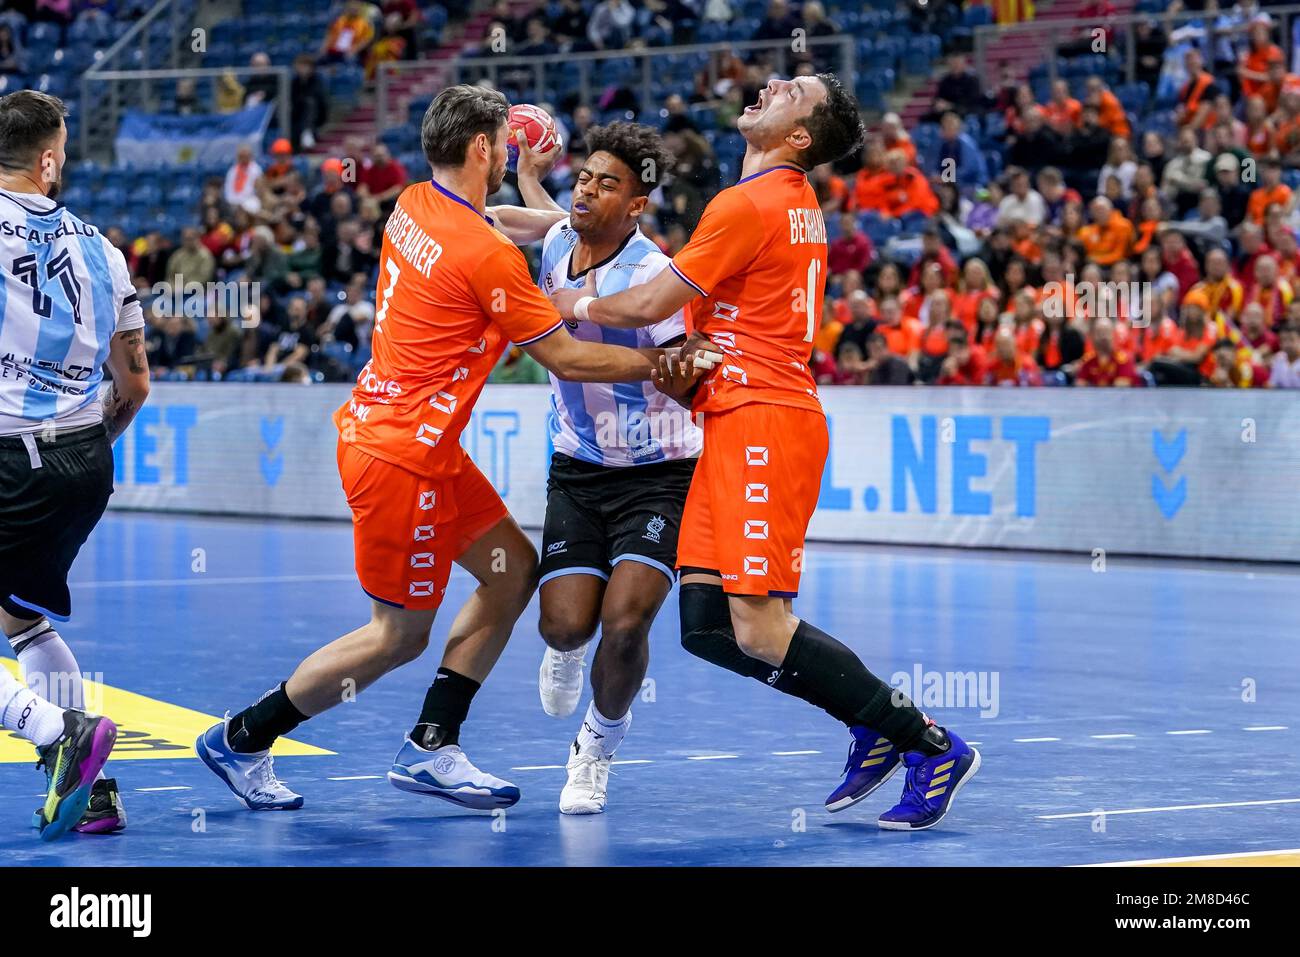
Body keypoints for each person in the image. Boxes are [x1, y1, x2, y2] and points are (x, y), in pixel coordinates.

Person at [194, 85, 718, 814]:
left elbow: (520, 225)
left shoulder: (414, 205)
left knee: (511, 573)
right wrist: (658, 363)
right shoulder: (488, 257)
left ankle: (434, 742)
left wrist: (540, 188)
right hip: (399, 457)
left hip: (423, 446)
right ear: (481, 149)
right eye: (502, 142)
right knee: (398, 634)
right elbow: (566, 356)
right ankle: (244, 737)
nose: (508, 152)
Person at [551, 73, 981, 831]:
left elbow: (651, 303)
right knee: (706, 624)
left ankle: (930, 742)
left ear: (801, 137)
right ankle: (868, 721)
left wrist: (566, 304)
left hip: (764, 419)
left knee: (757, 625)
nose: (772, 83)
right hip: (731, 416)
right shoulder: (783, 202)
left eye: (794, 89)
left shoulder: (751, 201)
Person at [514, 122, 703, 814]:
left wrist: (685, 364)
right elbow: (525, 214)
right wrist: (505, 185)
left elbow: (682, 373)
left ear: (637, 205)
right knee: (565, 626)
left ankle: (597, 745)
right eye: (585, 176)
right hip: (579, 463)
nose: (589, 189)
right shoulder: (562, 236)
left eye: (608, 183)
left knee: (625, 624)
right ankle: (564, 650)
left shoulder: (654, 275)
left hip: (658, 471)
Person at [0, 90, 149, 838]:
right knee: (21, 618)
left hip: (9, 458)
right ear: (49, 159)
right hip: (87, 460)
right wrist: (86, 445)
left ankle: (54, 730)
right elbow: (137, 383)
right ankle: (93, 790)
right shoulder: (102, 245)